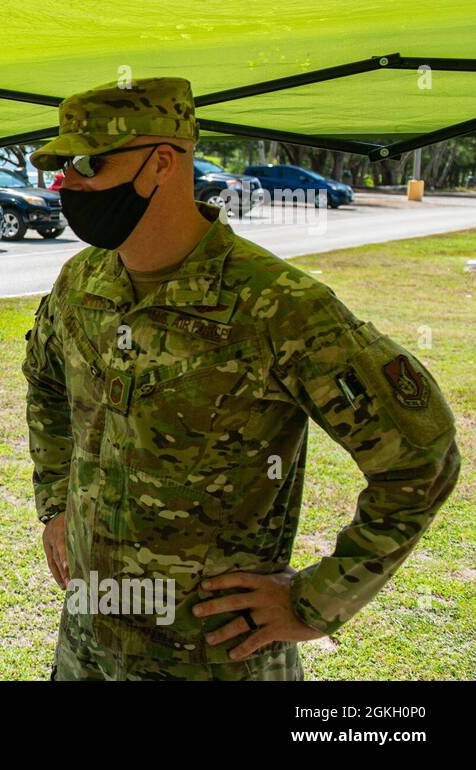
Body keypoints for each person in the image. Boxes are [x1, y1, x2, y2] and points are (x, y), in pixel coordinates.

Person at [23, 77, 461, 680]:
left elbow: (421, 455)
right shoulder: (83, 283)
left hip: (216, 658)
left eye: (87, 164)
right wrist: (54, 505)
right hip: (89, 646)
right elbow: (45, 383)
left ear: (161, 164)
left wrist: (316, 603)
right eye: (59, 165)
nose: (64, 183)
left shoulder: (277, 305)